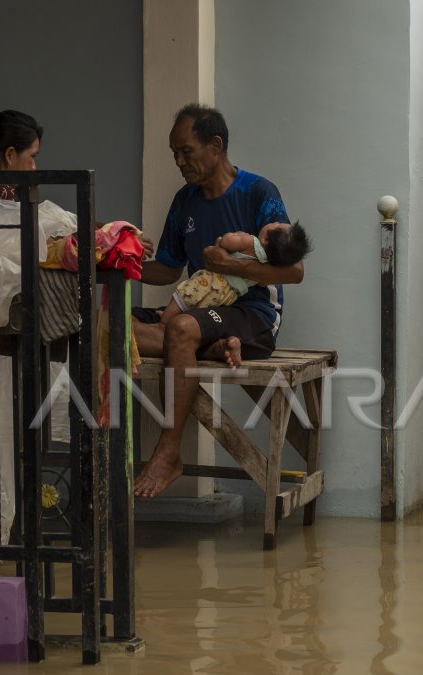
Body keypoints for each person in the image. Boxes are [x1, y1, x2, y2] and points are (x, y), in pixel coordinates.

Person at [133, 104, 306, 499]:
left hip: (254, 314)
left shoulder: (259, 192)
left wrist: (232, 265)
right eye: (174, 153)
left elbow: (294, 272)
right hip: (201, 312)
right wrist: (116, 260)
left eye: (186, 151)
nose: (179, 161)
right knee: (106, 324)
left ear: (216, 145)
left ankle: (169, 452)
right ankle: (204, 346)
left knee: (180, 328)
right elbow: (168, 269)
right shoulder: (184, 202)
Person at [161, 221, 312, 321]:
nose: (275, 221)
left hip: (214, 280)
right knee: (200, 308)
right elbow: (262, 283)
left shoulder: (249, 241)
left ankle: (164, 322)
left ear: (265, 240)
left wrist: (226, 238)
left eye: (277, 224)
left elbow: (228, 241)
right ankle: (175, 318)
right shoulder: (268, 264)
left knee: (183, 295)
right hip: (229, 295)